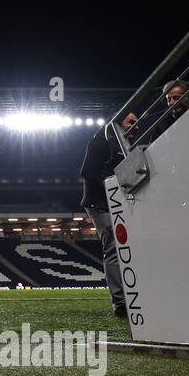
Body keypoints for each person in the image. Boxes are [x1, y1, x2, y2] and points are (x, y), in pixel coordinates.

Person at [80, 113, 137, 317]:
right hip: (100, 203)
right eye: (131, 122)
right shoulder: (100, 141)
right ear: (119, 122)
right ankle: (120, 301)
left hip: (116, 201)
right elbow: (87, 172)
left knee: (125, 245)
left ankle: (130, 294)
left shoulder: (125, 143)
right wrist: (113, 183)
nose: (135, 126)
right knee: (113, 245)